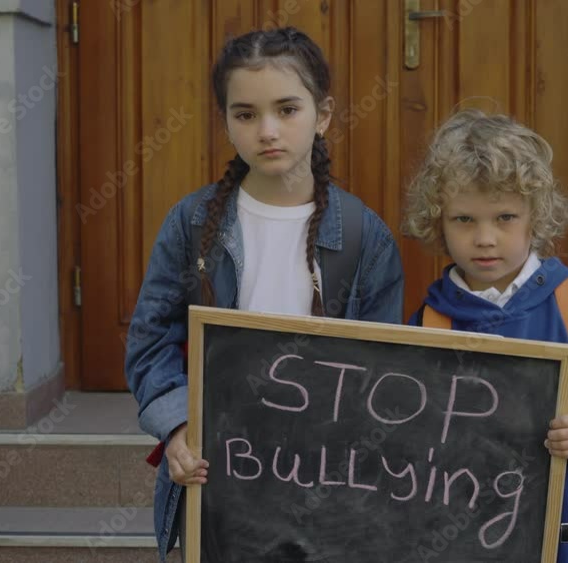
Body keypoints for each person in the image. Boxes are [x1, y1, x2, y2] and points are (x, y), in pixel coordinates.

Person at [124, 27, 404, 562]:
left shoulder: (366, 237)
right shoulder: (191, 223)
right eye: (246, 114)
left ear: (323, 115)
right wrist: (179, 425)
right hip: (220, 469)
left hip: (326, 481)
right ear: (227, 122)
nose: (267, 130)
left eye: (287, 109)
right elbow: (150, 340)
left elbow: (383, 370)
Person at [403, 109, 568, 563]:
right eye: (465, 220)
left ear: (535, 217)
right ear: (438, 222)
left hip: (565, 540)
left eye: (505, 217)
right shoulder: (428, 323)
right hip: (459, 540)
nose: (485, 238)